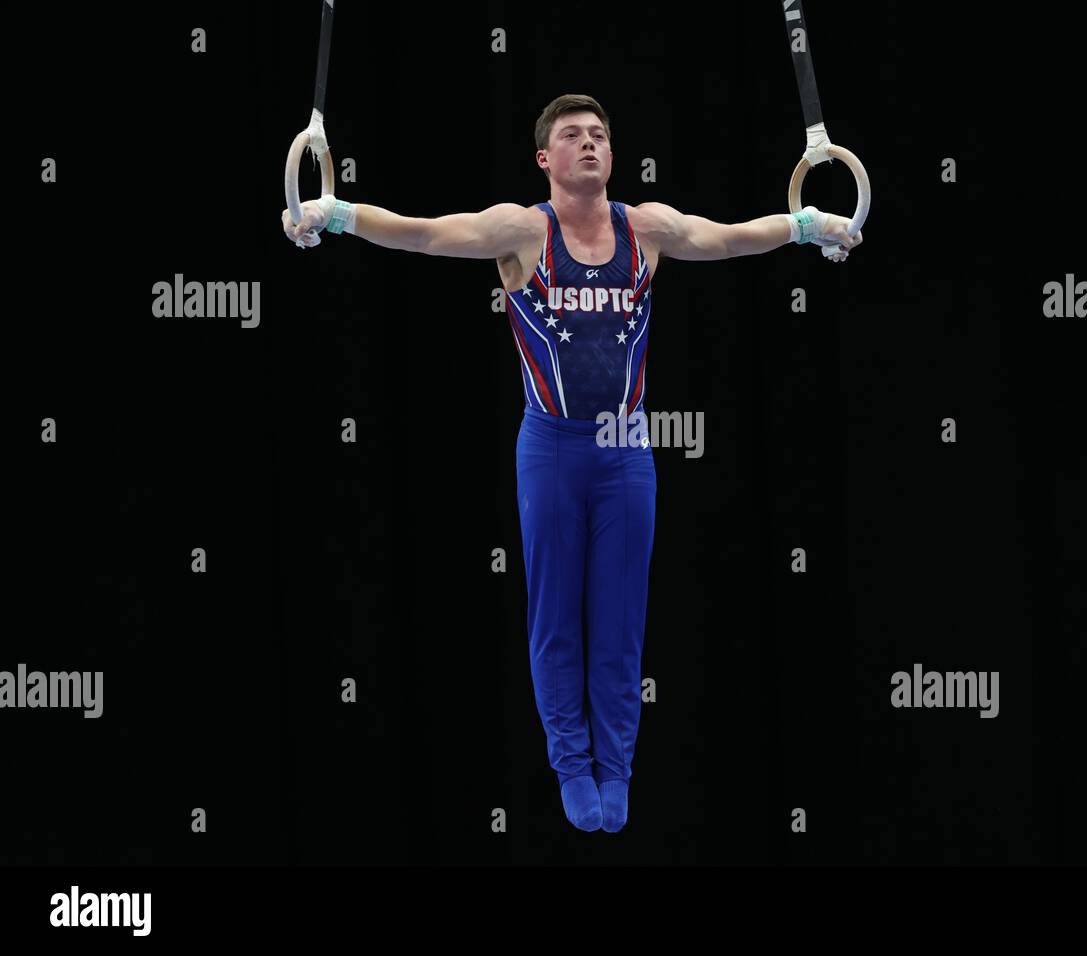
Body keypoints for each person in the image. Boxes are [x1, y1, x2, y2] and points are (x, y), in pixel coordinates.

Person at [282, 93, 862, 833]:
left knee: (620, 620)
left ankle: (616, 768)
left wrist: (813, 227)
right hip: (550, 448)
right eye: (571, 136)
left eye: (598, 135)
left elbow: (728, 240)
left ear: (612, 156)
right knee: (557, 617)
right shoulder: (521, 230)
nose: (588, 144)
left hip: (625, 452)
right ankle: (570, 763)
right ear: (544, 159)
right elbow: (424, 235)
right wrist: (330, 214)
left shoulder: (646, 227)